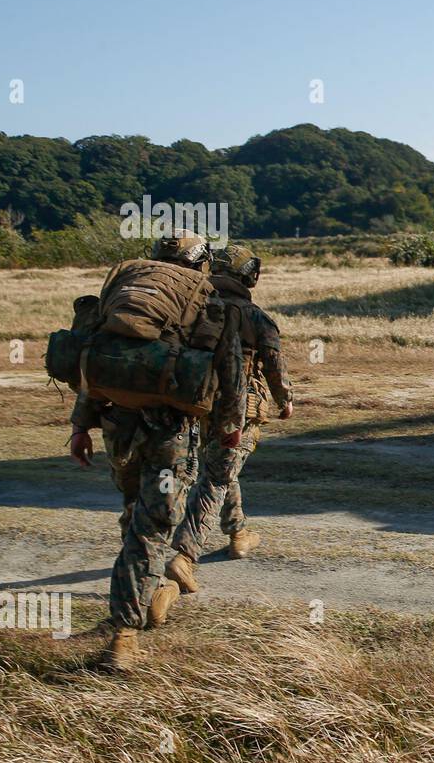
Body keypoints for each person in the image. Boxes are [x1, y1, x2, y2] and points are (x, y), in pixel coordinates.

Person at [69, 230, 244, 671]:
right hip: (169, 430)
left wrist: (79, 426)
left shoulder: (126, 285)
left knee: (134, 514)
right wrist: (229, 427)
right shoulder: (204, 298)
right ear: (201, 261)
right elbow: (229, 366)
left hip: (116, 423)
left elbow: (93, 353)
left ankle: (139, 596)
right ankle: (123, 636)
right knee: (150, 530)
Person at [170, 245, 292, 589]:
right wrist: (286, 400)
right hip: (241, 410)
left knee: (221, 468)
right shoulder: (256, 317)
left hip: (198, 405)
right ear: (247, 275)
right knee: (216, 478)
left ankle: (238, 533)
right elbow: (274, 365)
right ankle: (185, 554)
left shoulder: (194, 309)